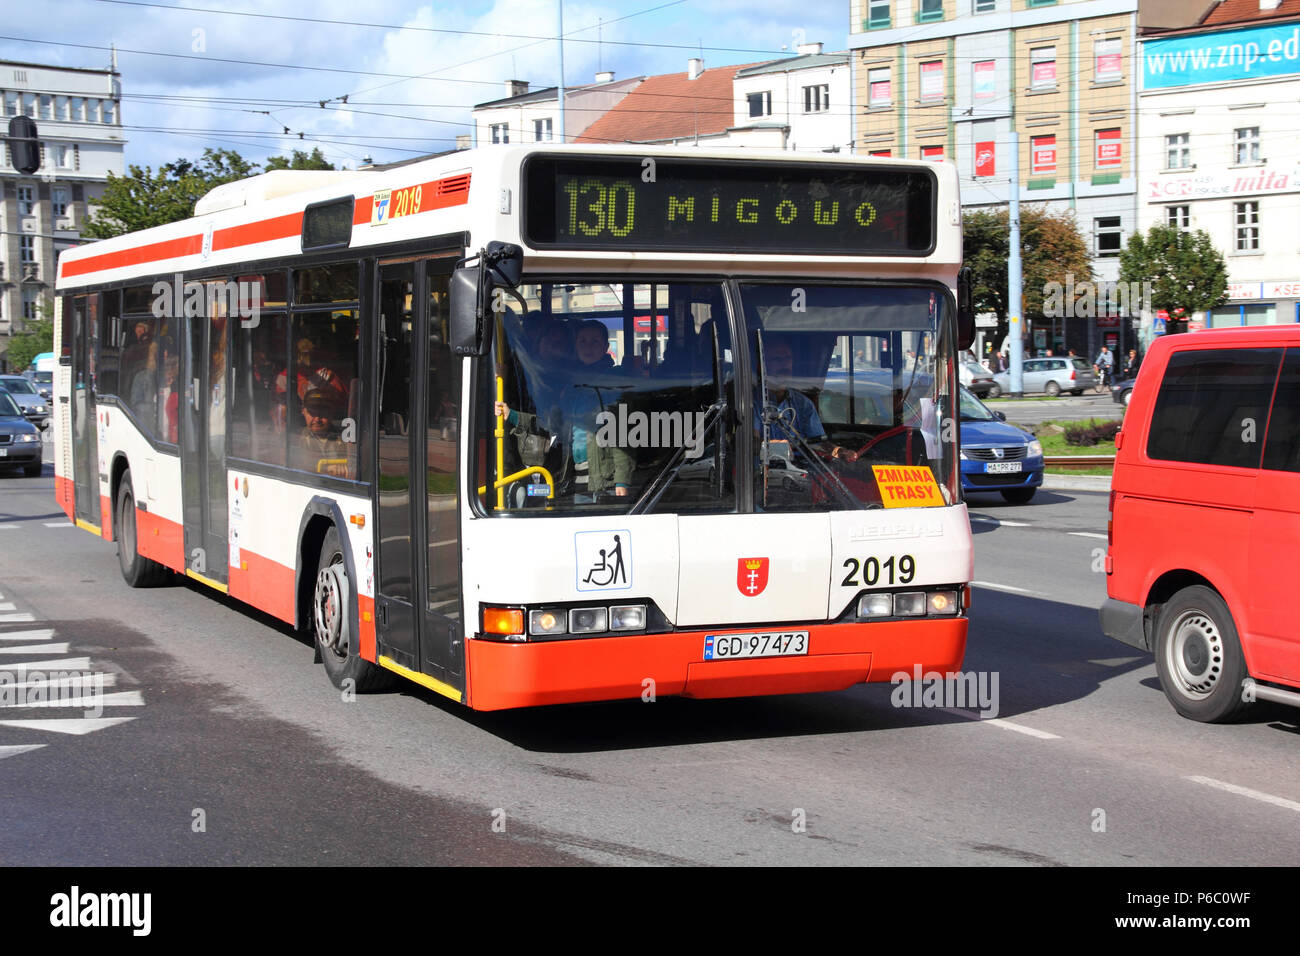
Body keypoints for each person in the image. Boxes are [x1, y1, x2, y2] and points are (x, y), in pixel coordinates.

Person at [297, 388, 351, 477]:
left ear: (332, 412)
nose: (317, 419)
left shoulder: (346, 439)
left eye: (323, 412)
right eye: (312, 413)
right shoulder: (295, 437)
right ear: (303, 412)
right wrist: (327, 469)